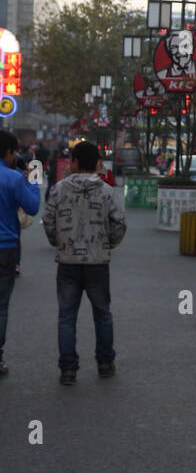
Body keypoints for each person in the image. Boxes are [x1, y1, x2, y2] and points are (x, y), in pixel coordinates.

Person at [43, 139, 127, 386]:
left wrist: (57, 242)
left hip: (67, 261)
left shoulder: (58, 189)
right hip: (97, 261)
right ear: (97, 163)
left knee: (67, 316)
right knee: (102, 314)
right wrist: (107, 243)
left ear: (75, 162)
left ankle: (68, 369)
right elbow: (120, 224)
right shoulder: (106, 190)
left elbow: (48, 222)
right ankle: (104, 363)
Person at [0, 129, 41, 375]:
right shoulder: (13, 178)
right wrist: (32, 181)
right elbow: (33, 207)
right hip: (5, 247)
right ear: (7, 152)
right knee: (1, 305)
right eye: (13, 151)